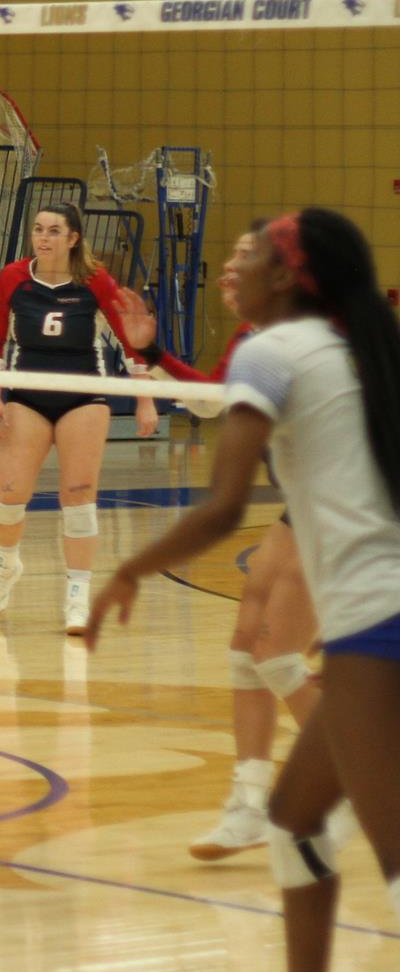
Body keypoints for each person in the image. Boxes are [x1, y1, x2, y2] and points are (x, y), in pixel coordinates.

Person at [87, 209, 400, 972]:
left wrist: (129, 570)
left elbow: (224, 506)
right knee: (295, 826)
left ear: (289, 276)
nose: (235, 266)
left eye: (250, 253)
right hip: (375, 609)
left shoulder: (274, 350)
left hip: (379, 616)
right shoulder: (357, 348)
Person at [117, 231, 327, 861]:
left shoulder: (316, 337)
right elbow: (213, 403)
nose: (228, 268)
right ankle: (251, 805)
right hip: (307, 504)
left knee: (277, 655)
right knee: (247, 650)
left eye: (243, 257)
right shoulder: (251, 337)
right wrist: (151, 353)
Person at [0, 203, 159, 635]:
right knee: (7, 495)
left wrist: (145, 400)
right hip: (27, 395)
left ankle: (77, 595)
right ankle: (6, 566)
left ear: (73, 238)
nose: (43, 237)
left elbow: (131, 344)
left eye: (54, 231)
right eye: (38, 229)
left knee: (78, 497)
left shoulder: (95, 281)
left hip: (85, 396)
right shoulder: (13, 277)